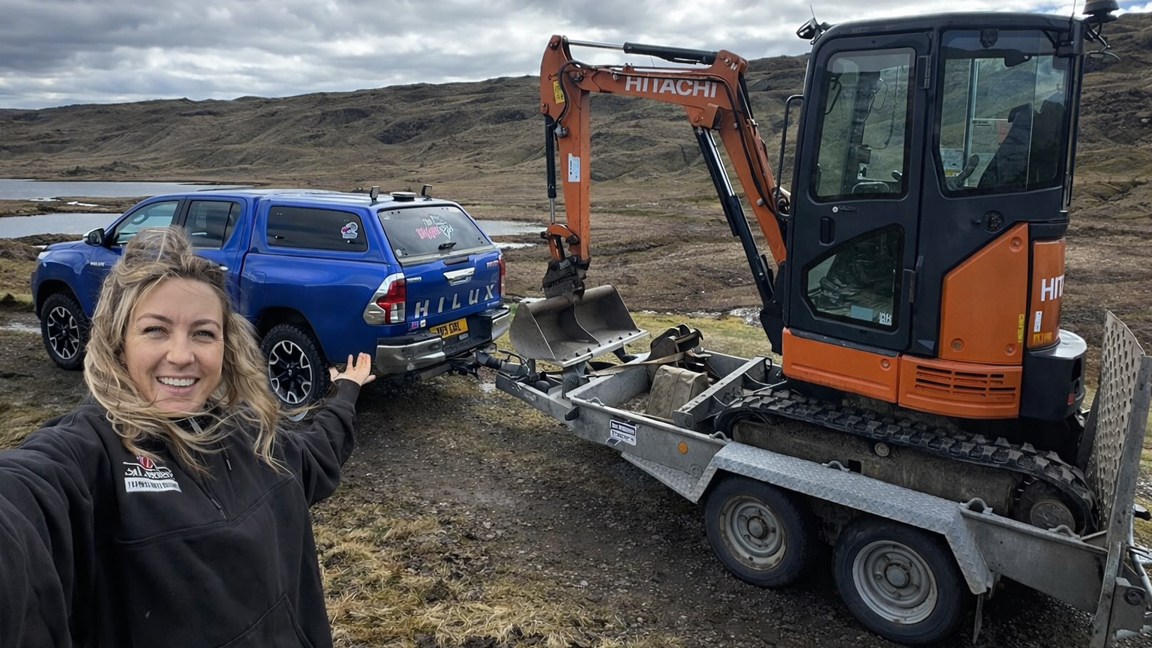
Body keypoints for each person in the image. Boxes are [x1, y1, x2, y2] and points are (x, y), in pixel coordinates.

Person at [0, 227, 376, 648]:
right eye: (155, 330)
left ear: (225, 346)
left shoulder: (251, 434)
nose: (181, 355)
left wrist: (346, 391)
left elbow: (315, 454)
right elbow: (22, 508)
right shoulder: (86, 456)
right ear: (117, 342)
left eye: (203, 332)